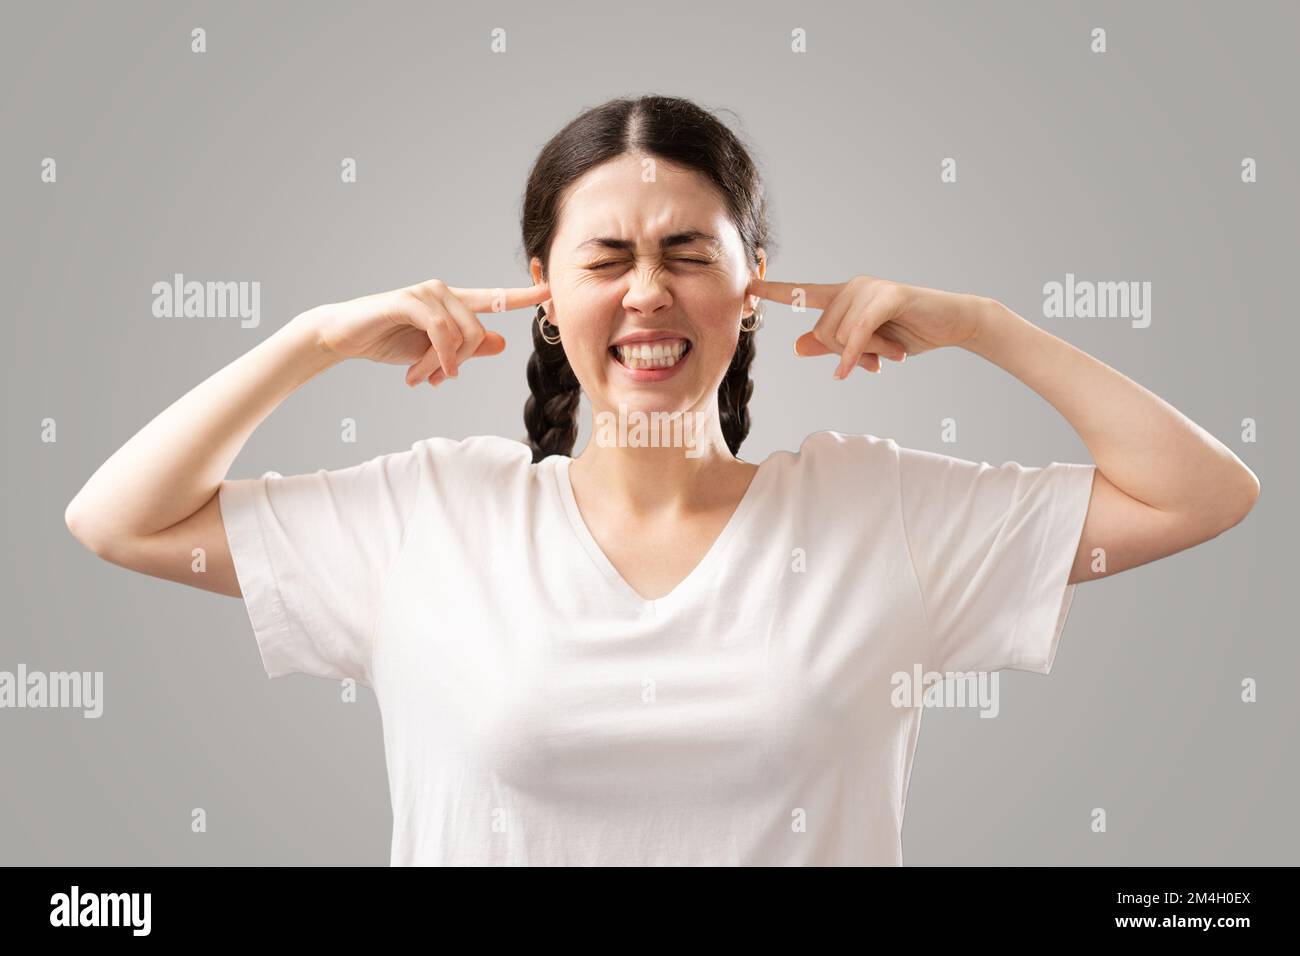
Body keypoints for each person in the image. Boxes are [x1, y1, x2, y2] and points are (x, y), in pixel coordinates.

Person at [64, 95, 1259, 866]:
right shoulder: (429, 515)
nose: (647, 292)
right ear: (540, 285)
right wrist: (311, 341)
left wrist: (986, 323)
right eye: (606, 258)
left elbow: (1201, 495)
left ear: (752, 284)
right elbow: (116, 518)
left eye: (688, 254)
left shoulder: (872, 513)